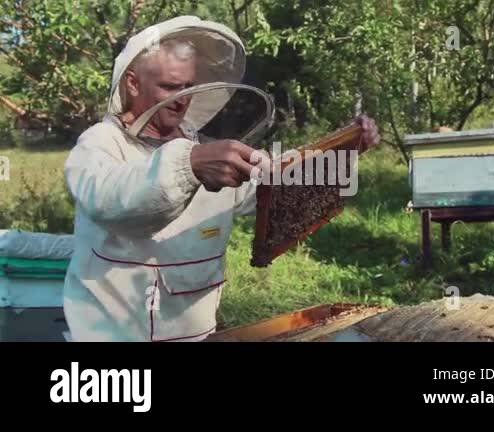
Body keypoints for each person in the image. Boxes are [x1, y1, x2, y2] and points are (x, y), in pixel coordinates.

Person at [63, 16, 380, 341]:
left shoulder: (201, 147)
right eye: (170, 87)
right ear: (133, 83)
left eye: (189, 86)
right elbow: (109, 198)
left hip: (197, 335)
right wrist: (190, 166)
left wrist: (344, 151)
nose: (183, 98)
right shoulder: (99, 143)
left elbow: (269, 182)